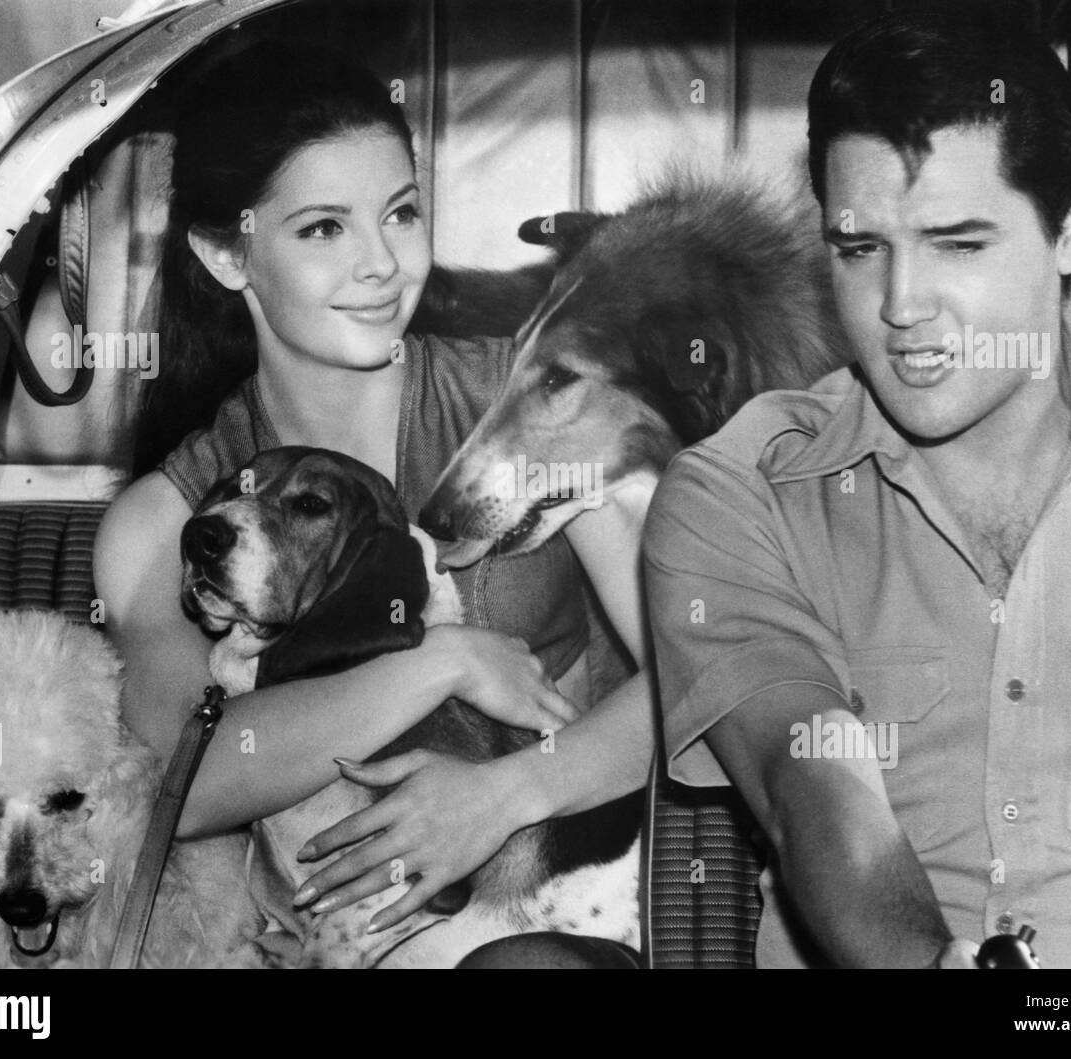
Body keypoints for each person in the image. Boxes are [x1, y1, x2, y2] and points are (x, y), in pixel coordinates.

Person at [643, 10, 1071, 969]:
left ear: (1069, 232)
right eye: (860, 249)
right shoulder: (743, 494)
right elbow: (804, 776)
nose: (901, 305)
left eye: (957, 244)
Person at [94, 36, 654, 955]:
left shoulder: (536, 406)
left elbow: (706, 681)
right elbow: (183, 784)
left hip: (545, 917)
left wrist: (507, 793)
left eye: (399, 214)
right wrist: (443, 663)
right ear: (226, 254)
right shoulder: (162, 521)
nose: (382, 264)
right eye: (323, 228)